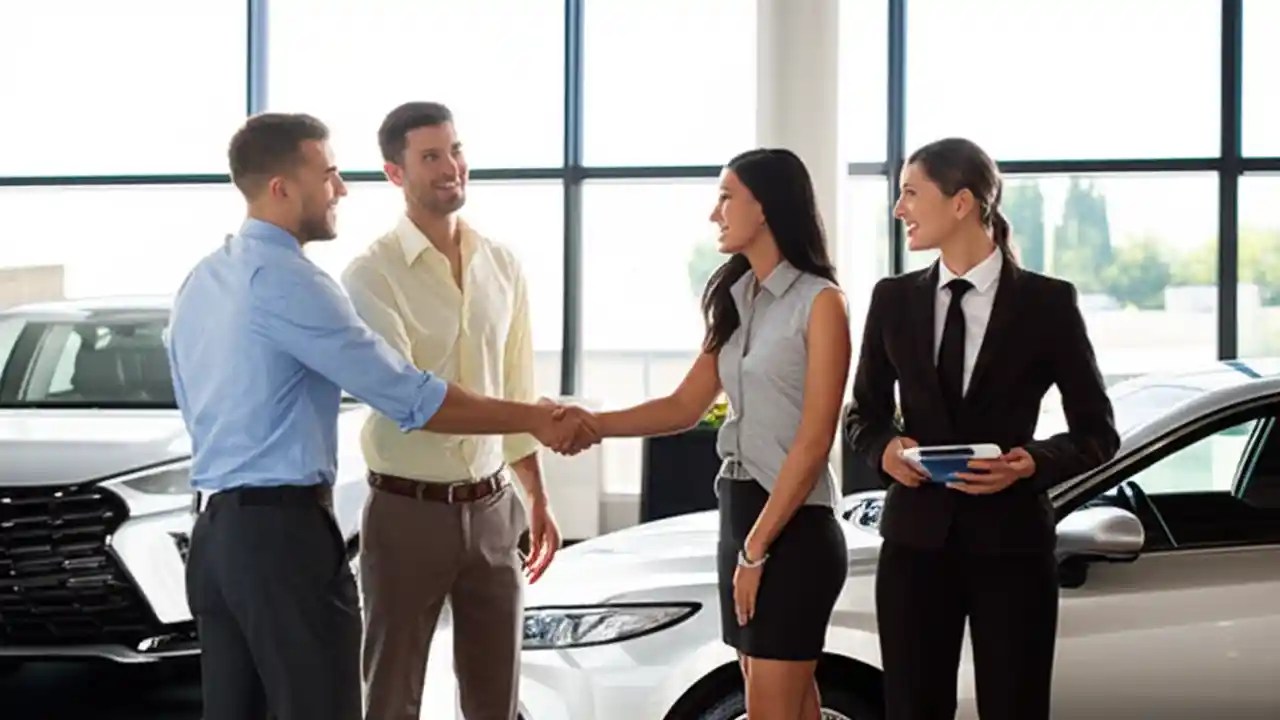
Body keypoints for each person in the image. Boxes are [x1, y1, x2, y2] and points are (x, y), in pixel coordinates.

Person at [165, 112, 586, 720]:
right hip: (283, 539)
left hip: (215, 538)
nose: (340, 189)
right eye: (329, 174)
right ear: (283, 187)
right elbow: (409, 396)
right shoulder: (295, 283)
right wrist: (538, 417)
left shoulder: (203, 279)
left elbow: (189, 397)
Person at [558, 148, 851, 719]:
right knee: (787, 704)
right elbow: (682, 406)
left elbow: (814, 442)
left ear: (764, 208)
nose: (714, 213)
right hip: (741, 509)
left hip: (791, 526)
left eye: (726, 197)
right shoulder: (737, 303)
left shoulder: (821, 303)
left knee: (771, 708)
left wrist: (757, 548)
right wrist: (592, 425)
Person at [845, 137, 1121, 720]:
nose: (900, 210)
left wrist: (1032, 462)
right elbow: (862, 415)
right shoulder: (893, 300)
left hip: (1013, 547)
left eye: (911, 193)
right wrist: (886, 451)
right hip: (915, 546)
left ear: (962, 202)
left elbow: (1097, 432)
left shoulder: (1047, 304)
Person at [339, 101, 568, 720]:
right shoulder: (371, 275)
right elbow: (414, 400)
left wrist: (536, 494)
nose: (451, 167)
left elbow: (517, 381)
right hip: (406, 511)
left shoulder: (502, 263)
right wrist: (536, 417)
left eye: (456, 150)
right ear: (395, 173)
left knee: (498, 700)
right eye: (431, 156)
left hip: (494, 508)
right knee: (392, 697)